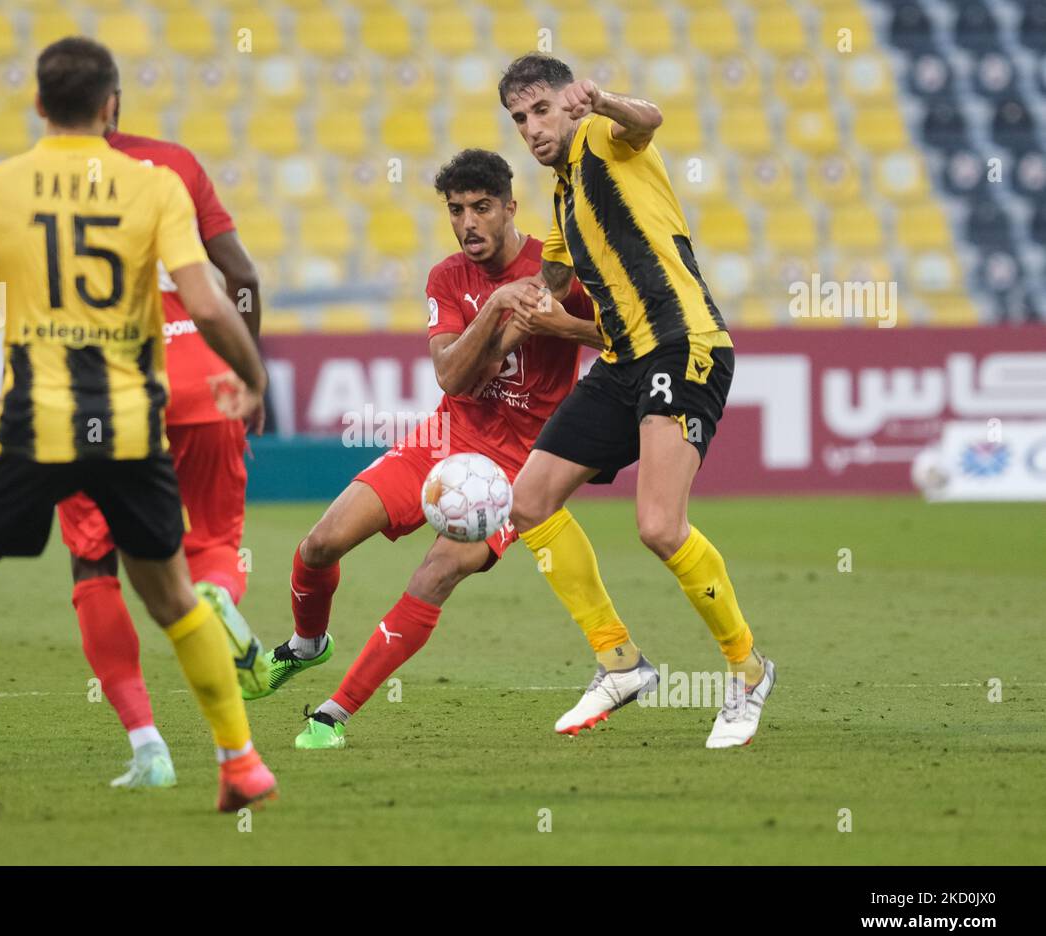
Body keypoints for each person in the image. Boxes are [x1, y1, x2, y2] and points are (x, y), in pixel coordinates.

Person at [0, 37, 274, 823]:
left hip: (35, 423)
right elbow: (208, 301)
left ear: (38, 106)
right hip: (132, 423)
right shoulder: (155, 184)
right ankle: (241, 763)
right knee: (170, 595)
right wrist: (254, 377)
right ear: (110, 106)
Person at [255, 149, 600, 750]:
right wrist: (495, 307)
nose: (469, 222)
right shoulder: (448, 278)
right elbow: (450, 376)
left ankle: (332, 715)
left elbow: (621, 334)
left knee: (437, 572)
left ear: (510, 207)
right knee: (319, 543)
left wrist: (560, 323)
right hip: (443, 440)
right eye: (457, 210)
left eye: (482, 208)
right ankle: (307, 645)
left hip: (519, 469)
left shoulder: (558, 269)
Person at [499, 53, 775, 747]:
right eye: (518, 119)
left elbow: (648, 121)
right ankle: (618, 660)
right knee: (528, 501)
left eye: (540, 109)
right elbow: (550, 285)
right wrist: (511, 313)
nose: (531, 128)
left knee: (658, 526)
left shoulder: (599, 135)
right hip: (623, 362)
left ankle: (748, 671)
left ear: (569, 101)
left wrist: (607, 101)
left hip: (684, 345)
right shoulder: (563, 198)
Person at [54, 93, 266, 790]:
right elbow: (241, 277)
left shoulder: (36, 178)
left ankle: (149, 748)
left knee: (95, 563)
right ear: (112, 101)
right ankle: (213, 596)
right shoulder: (172, 165)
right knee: (210, 542)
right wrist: (246, 372)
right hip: (202, 379)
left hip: (100, 392)